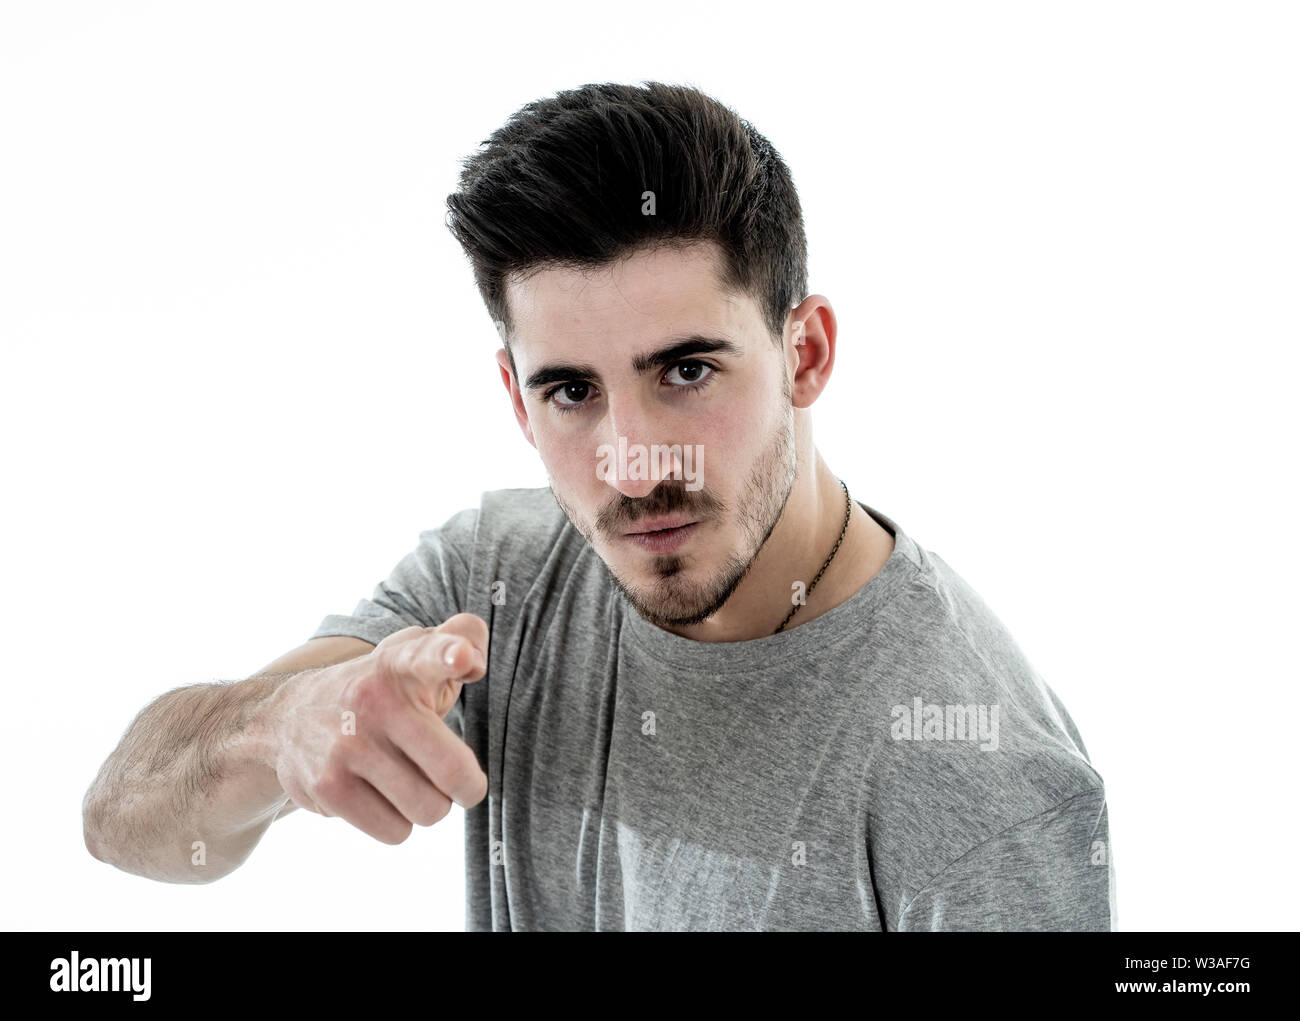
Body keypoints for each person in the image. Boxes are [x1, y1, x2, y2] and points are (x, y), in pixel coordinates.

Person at [83, 81, 1116, 931]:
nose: (628, 468)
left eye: (686, 371)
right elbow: (116, 819)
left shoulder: (985, 778)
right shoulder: (495, 584)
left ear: (803, 354)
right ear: (515, 399)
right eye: (571, 391)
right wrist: (274, 728)